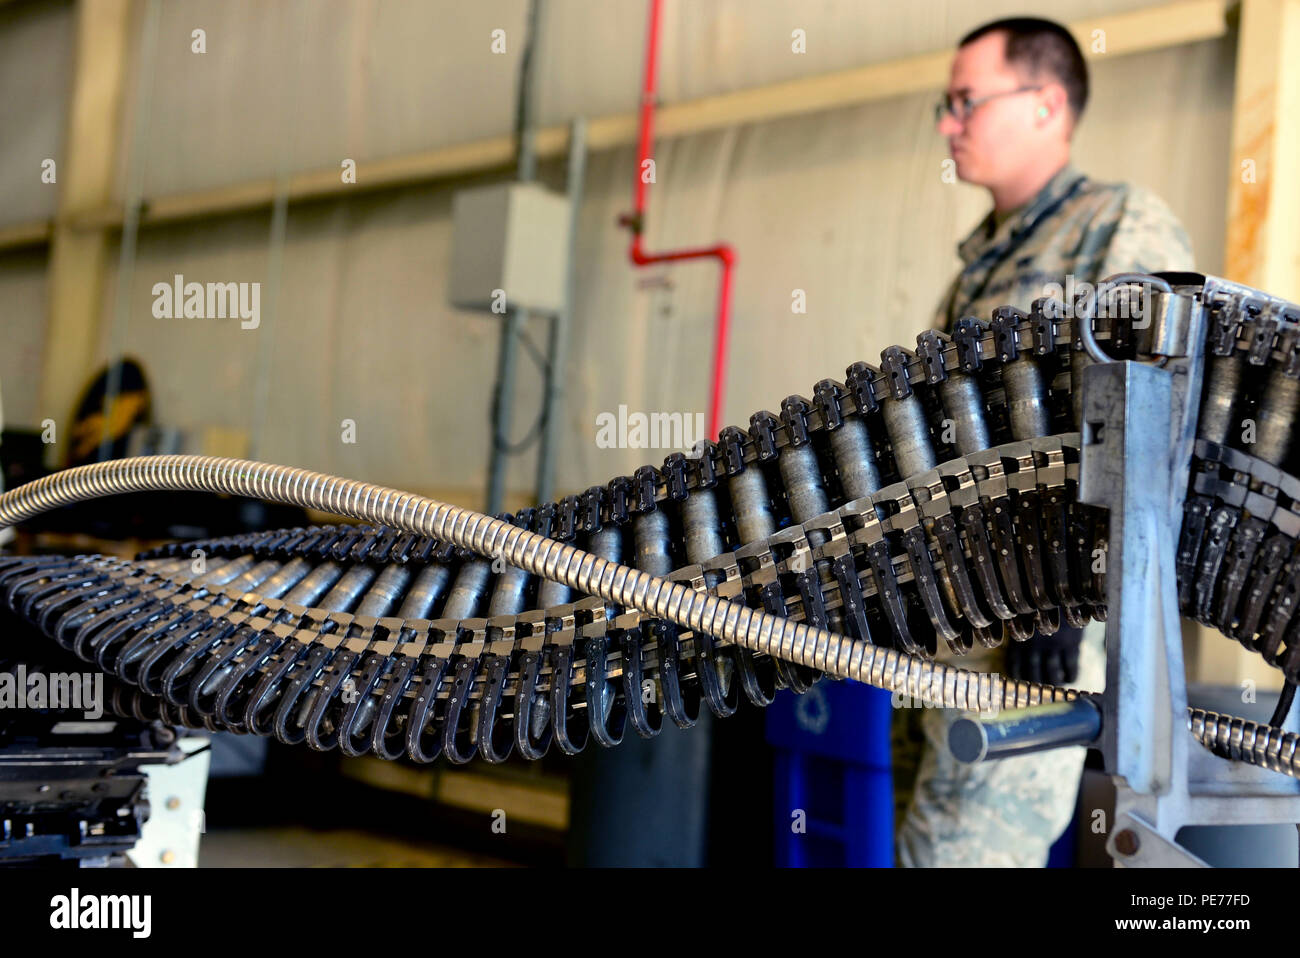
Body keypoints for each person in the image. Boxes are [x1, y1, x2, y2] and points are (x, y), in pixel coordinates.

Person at [893, 16, 1194, 867]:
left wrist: (1067, 591)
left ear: (1046, 104)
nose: (949, 124)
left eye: (965, 102)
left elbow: (1152, 408)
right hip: (943, 619)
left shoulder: (1121, 226)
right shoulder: (974, 273)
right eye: (945, 106)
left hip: (1035, 628)